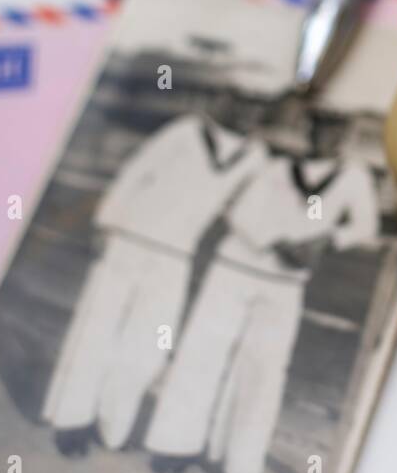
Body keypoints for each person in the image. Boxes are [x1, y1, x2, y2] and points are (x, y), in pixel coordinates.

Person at [143, 101, 381, 473]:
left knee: (265, 373)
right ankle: (173, 444)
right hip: (234, 270)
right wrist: (276, 241)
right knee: (201, 356)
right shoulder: (273, 166)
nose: (333, 136)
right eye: (325, 127)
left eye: (342, 130)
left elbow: (365, 225)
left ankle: (243, 467)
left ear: (350, 135)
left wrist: (325, 240)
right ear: (311, 130)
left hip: (284, 287)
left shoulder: (354, 178)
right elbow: (239, 210)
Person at [40, 112, 268, 455]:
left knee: (150, 345)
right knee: (97, 330)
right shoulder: (187, 129)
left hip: (175, 256)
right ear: (230, 100)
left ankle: (112, 423)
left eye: (263, 107)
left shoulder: (256, 157)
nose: (251, 111)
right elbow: (138, 169)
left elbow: (247, 210)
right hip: (129, 237)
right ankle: (72, 419)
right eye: (246, 100)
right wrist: (106, 219)